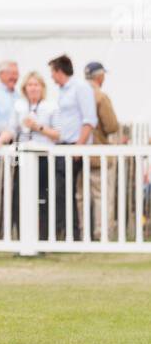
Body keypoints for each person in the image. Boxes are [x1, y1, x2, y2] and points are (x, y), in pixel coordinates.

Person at [0, 70, 59, 237]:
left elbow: (58, 134)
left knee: (43, 197)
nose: (33, 88)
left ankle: (44, 237)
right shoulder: (19, 106)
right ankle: (22, 236)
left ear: (42, 87)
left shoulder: (51, 106)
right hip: (22, 157)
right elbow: (11, 129)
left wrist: (37, 127)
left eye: (36, 85)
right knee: (19, 196)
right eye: (30, 85)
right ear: (25, 88)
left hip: (44, 157)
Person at [49, 54, 97, 238]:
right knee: (63, 192)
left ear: (59, 71)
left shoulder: (80, 88)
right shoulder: (63, 91)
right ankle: (69, 232)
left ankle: (80, 234)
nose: (51, 77)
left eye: (52, 72)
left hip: (75, 147)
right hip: (63, 146)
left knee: (76, 192)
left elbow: (89, 120)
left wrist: (79, 146)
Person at [83, 61, 120, 239]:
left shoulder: (77, 94)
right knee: (102, 196)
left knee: (81, 196)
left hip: (78, 154)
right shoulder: (100, 97)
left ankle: (82, 232)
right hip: (98, 154)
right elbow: (112, 125)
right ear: (99, 76)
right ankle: (102, 233)